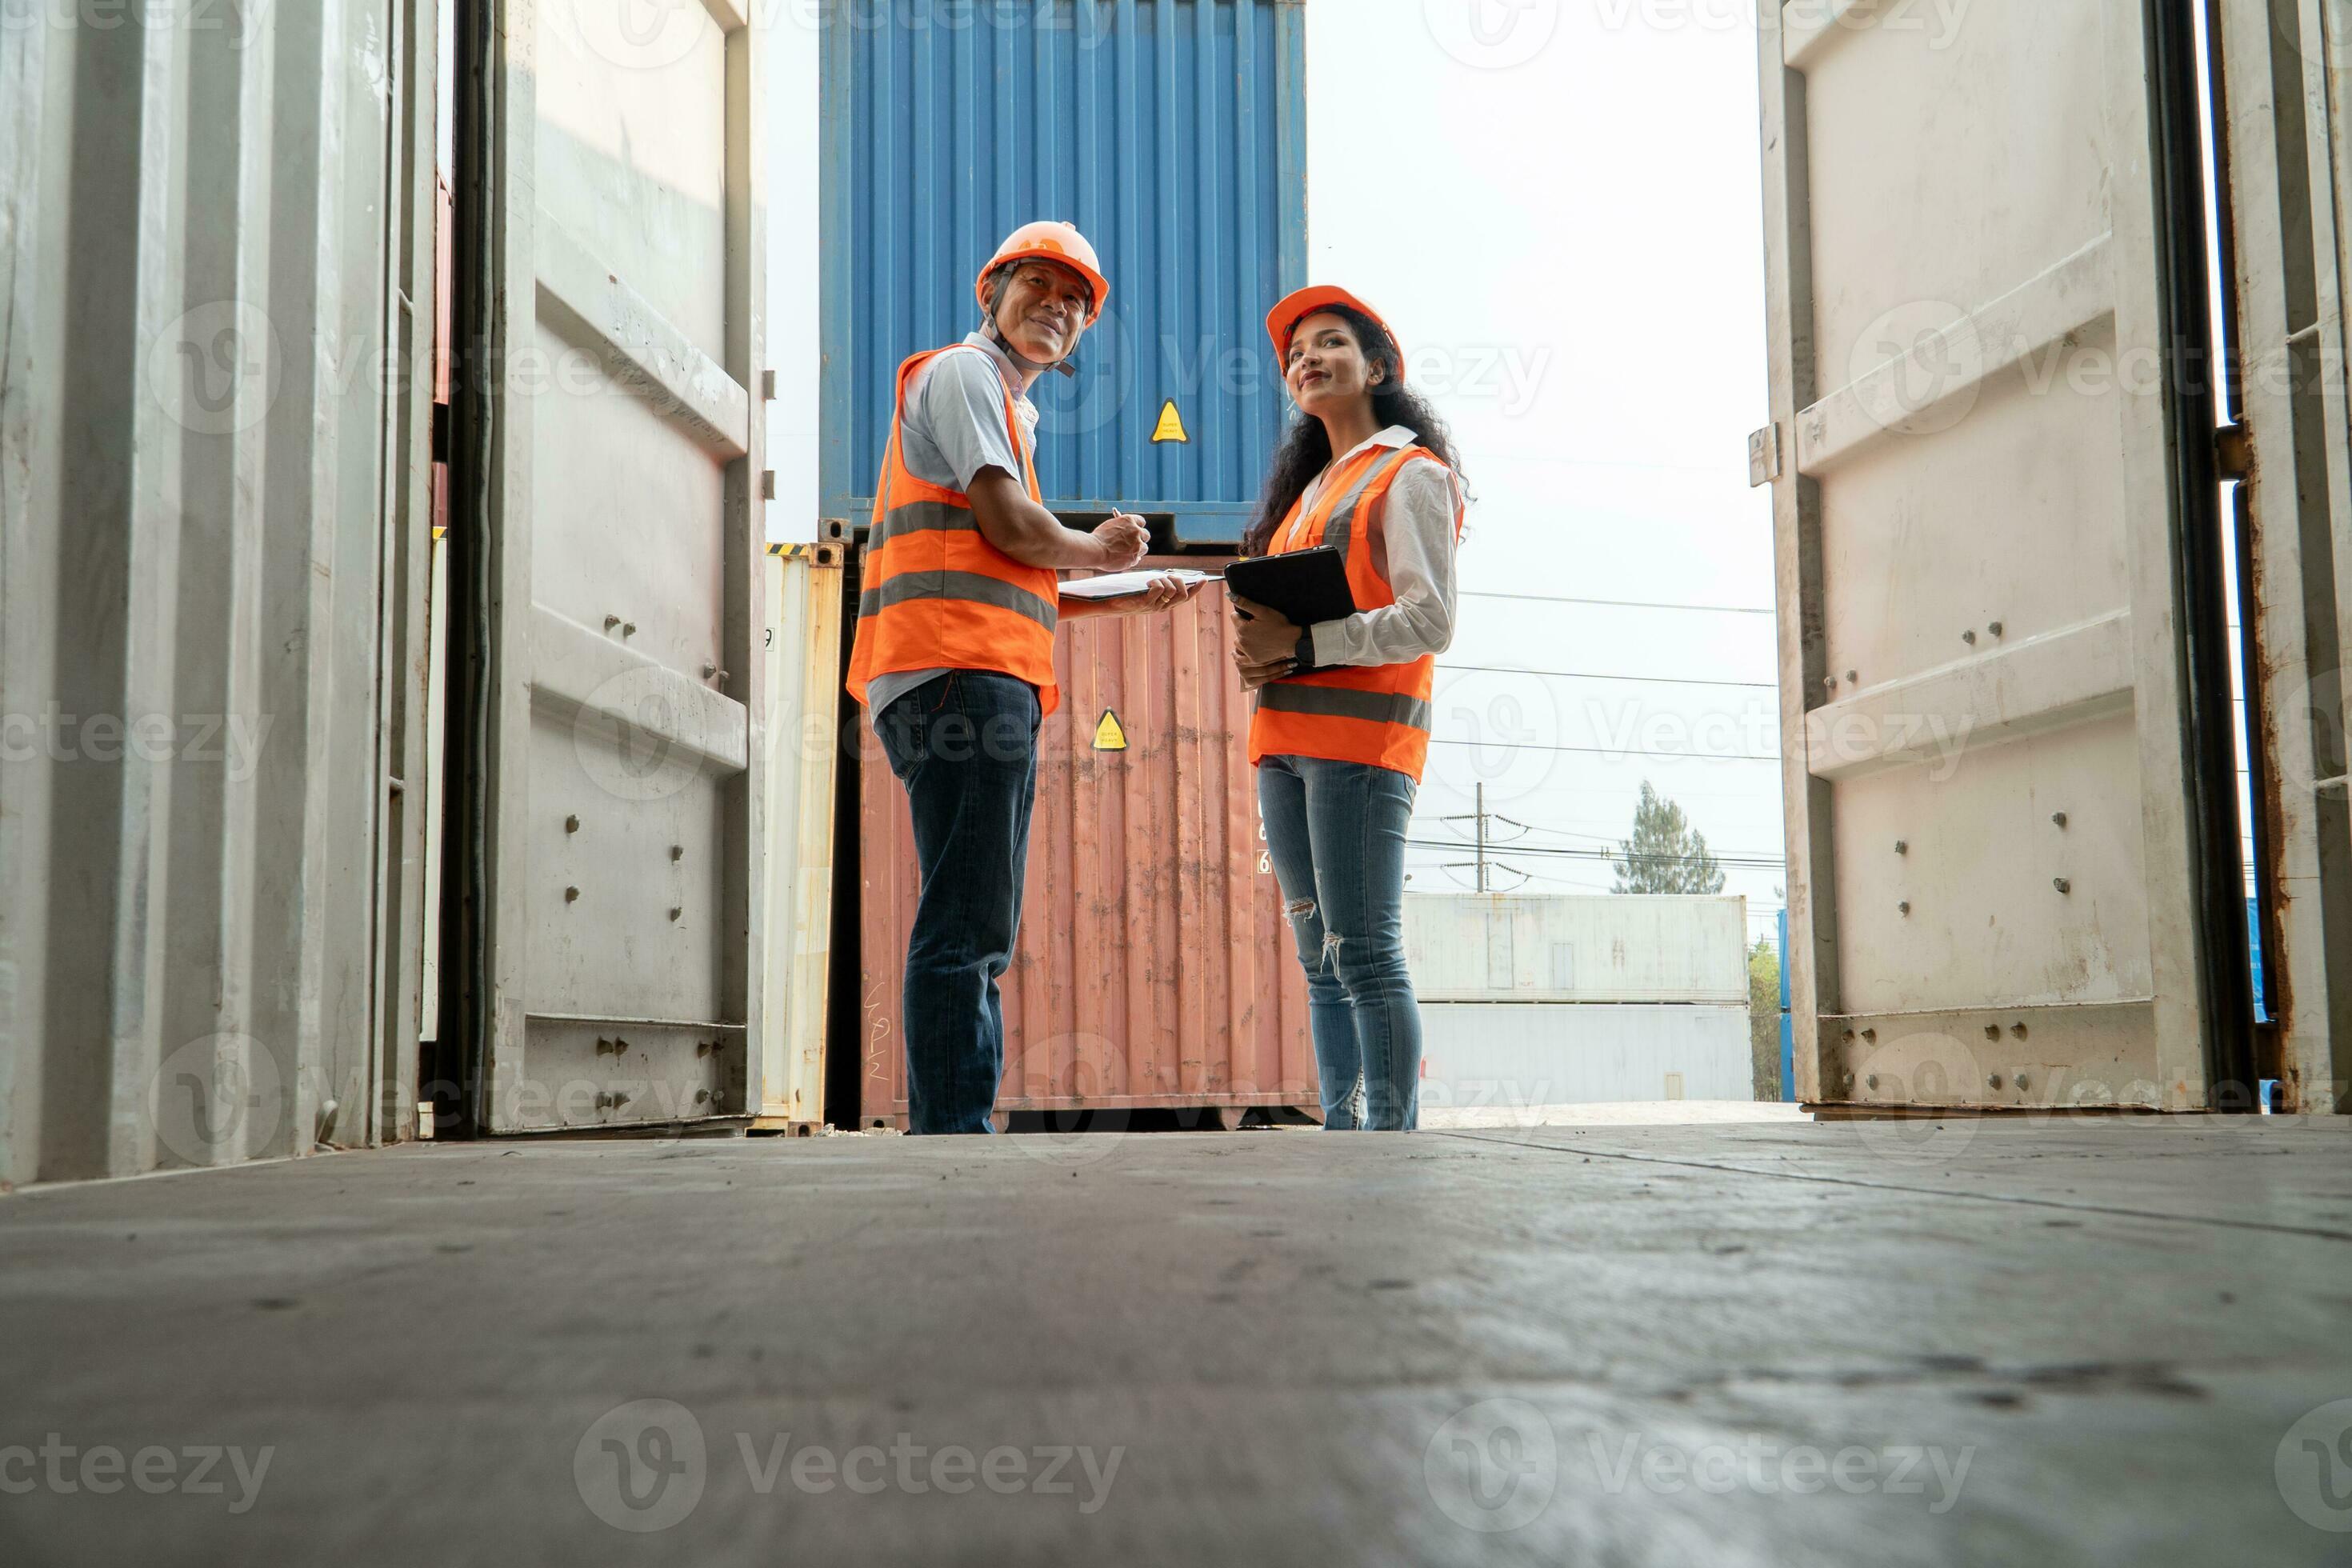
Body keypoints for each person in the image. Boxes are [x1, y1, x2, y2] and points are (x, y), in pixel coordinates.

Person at [846, 222, 1202, 1134]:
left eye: (1076, 302)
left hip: (953, 669)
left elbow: (1006, 567)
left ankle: (952, 1126)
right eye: (1039, 286)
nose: (1060, 308)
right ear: (991, 293)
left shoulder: (999, 401)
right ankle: (953, 1136)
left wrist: (1116, 596)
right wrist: (1092, 546)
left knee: (969, 915)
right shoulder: (965, 377)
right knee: (970, 924)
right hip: (961, 672)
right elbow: (1010, 524)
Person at [1230, 286, 1466, 1132]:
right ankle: (1343, 1133)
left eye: (1329, 343)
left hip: (1360, 745)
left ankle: (1388, 1141)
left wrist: (1302, 648)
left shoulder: (1412, 476)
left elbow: (1429, 618)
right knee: (1319, 961)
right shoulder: (1305, 499)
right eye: (1296, 354)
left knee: (1364, 953)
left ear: (1376, 367)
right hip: (1284, 741)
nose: (1307, 360)